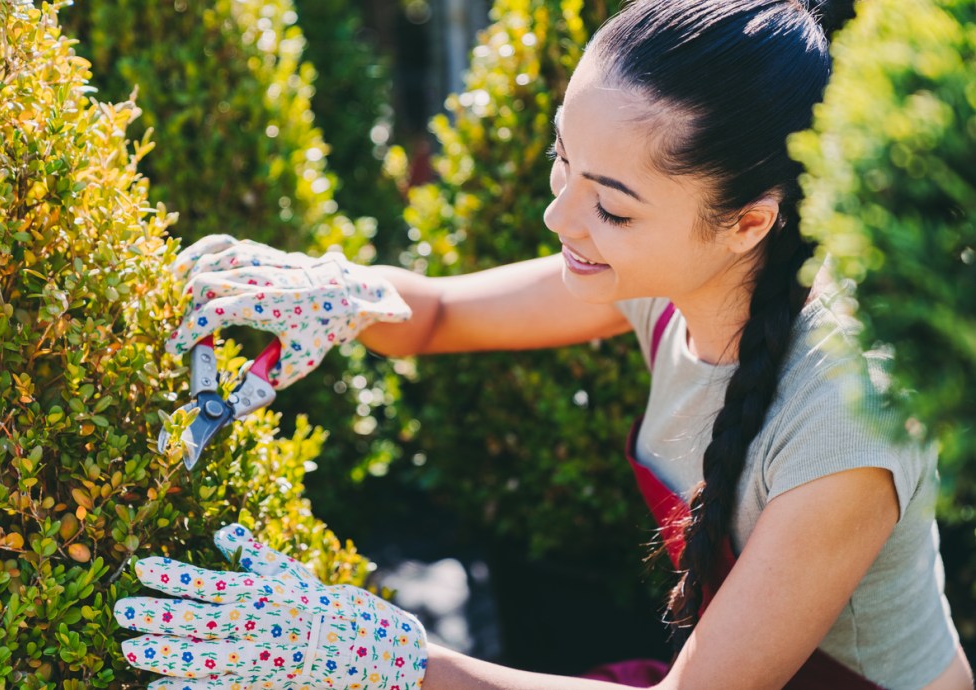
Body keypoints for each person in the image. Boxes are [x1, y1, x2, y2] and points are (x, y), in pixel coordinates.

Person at [114, 0, 974, 688]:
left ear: (749, 221)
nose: (559, 217)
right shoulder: (676, 283)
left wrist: (397, 663)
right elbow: (442, 315)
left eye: (613, 205)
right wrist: (337, 292)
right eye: (565, 163)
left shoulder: (851, 419)